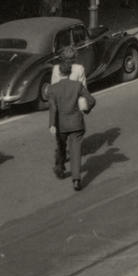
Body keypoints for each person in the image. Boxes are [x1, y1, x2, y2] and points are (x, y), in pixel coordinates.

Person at [48, 57, 95, 191]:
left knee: (61, 147)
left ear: (59, 73)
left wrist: (52, 124)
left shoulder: (52, 89)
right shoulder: (77, 86)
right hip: (76, 123)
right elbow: (91, 100)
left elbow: (53, 108)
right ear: (69, 72)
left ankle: (60, 167)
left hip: (60, 125)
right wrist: (85, 110)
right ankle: (76, 179)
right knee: (75, 151)